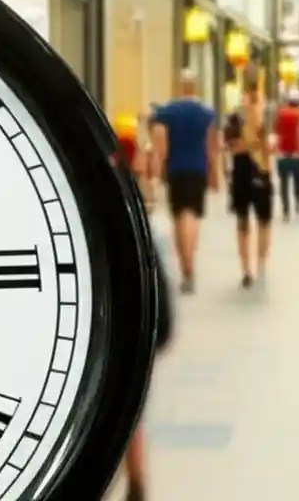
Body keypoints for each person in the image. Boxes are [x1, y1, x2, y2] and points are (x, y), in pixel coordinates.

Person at [116, 123, 174, 501]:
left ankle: (135, 478)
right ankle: (137, 479)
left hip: (121, 321)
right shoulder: (130, 197)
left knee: (122, 403)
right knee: (128, 404)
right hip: (142, 317)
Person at [151, 71, 219, 294]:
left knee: (178, 217)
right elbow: (211, 148)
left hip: (176, 170)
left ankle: (185, 267)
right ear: (195, 87)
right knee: (192, 216)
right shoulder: (206, 113)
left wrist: (157, 171)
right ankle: (190, 263)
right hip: (197, 169)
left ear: (180, 87)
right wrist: (214, 174)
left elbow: (161, 146)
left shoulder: (167, 112)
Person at [227, 84, 274, 289]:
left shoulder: (265, 124)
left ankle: (261, 263)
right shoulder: (234, 121)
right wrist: (253, 142)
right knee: (243, 221)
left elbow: (270, 148)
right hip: (242, 174)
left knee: (264, 221)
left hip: (262, 173)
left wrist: (255, 141)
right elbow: (233, 147)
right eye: (251, 99)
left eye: (257, 100)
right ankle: (246, 269)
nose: (254, 104)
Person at [274, 91, 299, 222]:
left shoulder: (280, 114)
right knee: (298, 182)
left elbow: (275, 131)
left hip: (282, 154)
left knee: (283, 183)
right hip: (296, 154)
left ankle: (285, 210)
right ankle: (298, 207)